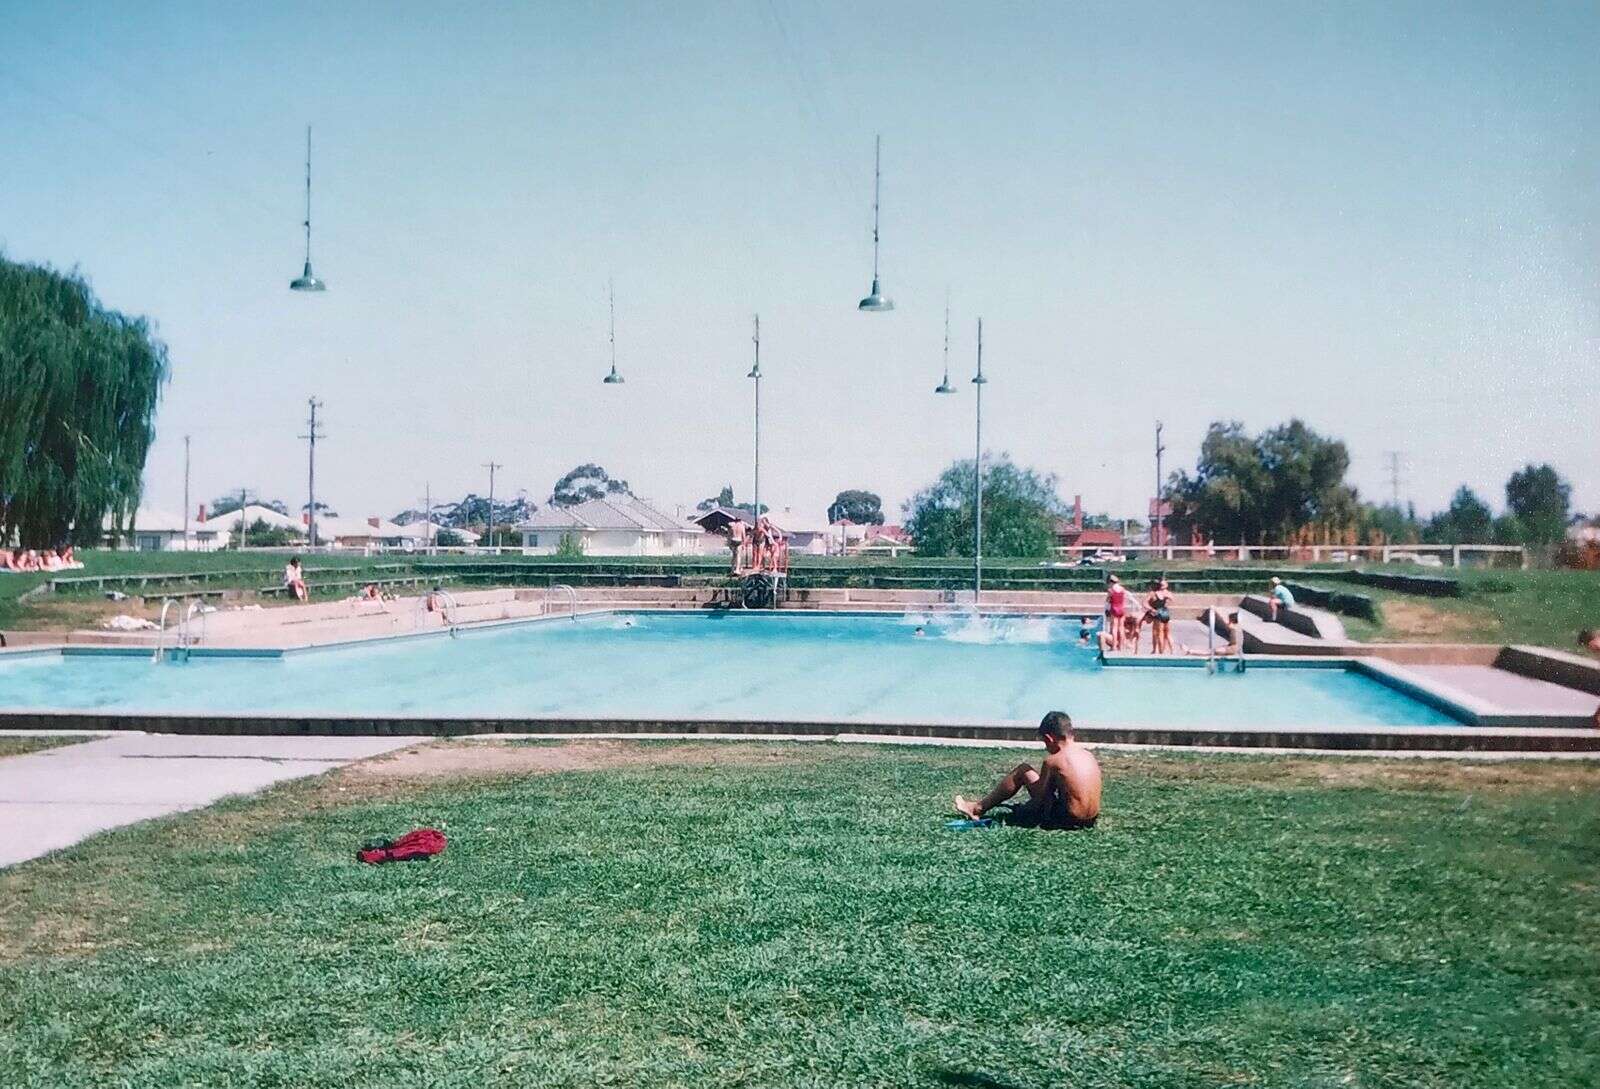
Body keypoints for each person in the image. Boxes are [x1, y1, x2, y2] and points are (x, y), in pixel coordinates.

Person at [953, 711, 1102, 829]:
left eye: (1045, 742)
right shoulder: (1088, 756)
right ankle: (978, 807)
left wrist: (1021, 811)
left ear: (1049, 739)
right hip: (1090, 820)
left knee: (1023, 771)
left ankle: (977, 808)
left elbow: (1040, 800)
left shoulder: (1053, 760)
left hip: (1067, 821)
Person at [1146, 577, 1174, 655]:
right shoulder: (1168, 593)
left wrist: (1151, 609)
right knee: (1167, 633)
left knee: (1158, 633)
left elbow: (1145, 603)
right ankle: (1171, 650)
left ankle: (1159, 651)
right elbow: (1170, 601)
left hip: (1158, 613)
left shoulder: (1154, 593)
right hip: (1165, 613)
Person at [1104, 575, 1129, 650]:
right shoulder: (1122, 589)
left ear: (1111, 582)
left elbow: (1107, 601)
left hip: (1114, 609)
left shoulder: (1111, 590)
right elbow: (1124, 599)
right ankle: (1121, 646)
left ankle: (1114, 646)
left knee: (1114, 628)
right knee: (1121, 628)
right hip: (1121, 609)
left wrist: (1106, 610)